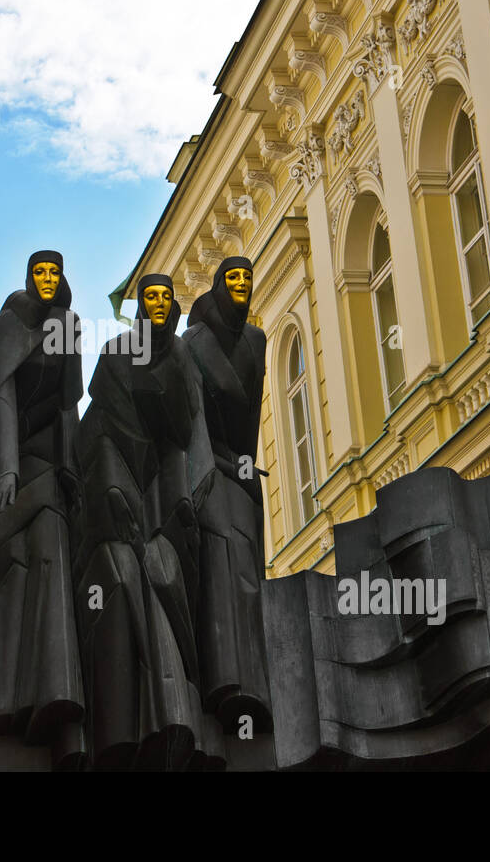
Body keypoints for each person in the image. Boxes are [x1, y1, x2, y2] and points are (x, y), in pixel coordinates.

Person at [73, 273, 215, 769]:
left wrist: (181, 499)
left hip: (160, 490)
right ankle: (127, 724)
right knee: (121, 573)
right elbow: (100, 428)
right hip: (111, 486)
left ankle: (175, 708)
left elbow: (185, 432)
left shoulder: (180, 358)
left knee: (164, 568)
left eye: (164, 297)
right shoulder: (115, 355)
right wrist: (111, 487)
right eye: (149, 297)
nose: (157, 304)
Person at [0, 250, 85, 761]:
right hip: (5, 460)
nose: (48, 280)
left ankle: (56, 690)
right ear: (30, 278)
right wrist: (6, 468)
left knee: (51, 536)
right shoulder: (5, 325)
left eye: (55, 272)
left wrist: (71, 465)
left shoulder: (68, 325)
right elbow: (2, 398)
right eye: (41, 273)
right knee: (18, 543)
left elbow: (69, 404)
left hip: (49, 456)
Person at [181, 256, 273, 733]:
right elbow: (192, 418)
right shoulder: (192, 343)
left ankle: (255, 681)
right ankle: (226, 680)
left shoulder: (256, 341)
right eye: (232, 278)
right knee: (224, 563)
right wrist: (202, 477)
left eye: (246, 278)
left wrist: (244, 468)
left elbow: (251, 417)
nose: (242, 284)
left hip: (238, 470)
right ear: (218, 286)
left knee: (249, 572)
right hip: (207, 472)